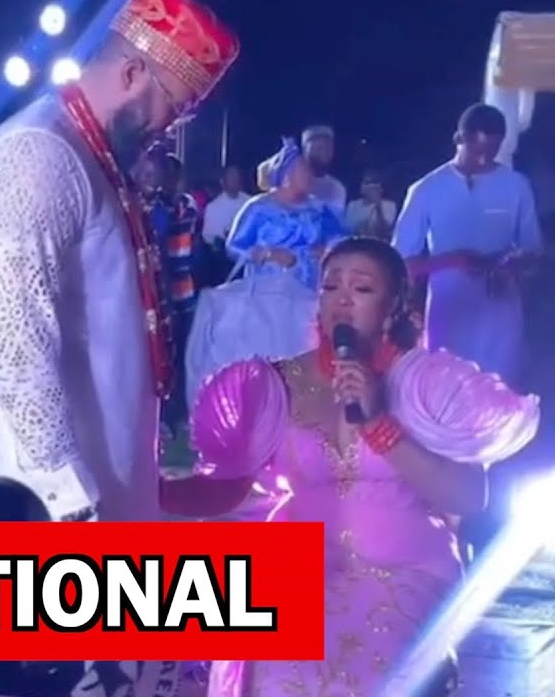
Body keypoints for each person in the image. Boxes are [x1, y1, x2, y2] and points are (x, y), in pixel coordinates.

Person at [162, 238, 539, 696]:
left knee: (355, 676)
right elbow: (229, 488)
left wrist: (379, 424)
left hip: (407, 570)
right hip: (296, 566)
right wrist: (153, 490)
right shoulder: (273, 383)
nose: (342, 299)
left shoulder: (429, 386)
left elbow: (467, 499)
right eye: (330, 286)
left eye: (361, 289)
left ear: (394, 305)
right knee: (269, 669)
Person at [0, 0, 238, 523]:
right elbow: (17, 345)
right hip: (58, 503)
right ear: (134, 73)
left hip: (109, 481)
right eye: (174, 108)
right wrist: (67, 498)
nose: (171, 128)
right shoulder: (38, 154)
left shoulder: (97, 154)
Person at [392, 103, 543, 389]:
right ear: (459, 140)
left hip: (501, 317)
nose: (485, 160)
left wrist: (514, 264)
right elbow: (401, 264)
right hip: (449, 316)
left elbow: (534, 253)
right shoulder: (427, 189)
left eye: (492, 151)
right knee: (447, 394)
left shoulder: (516, 185)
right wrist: (455, 260)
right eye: (478, 151)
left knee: (501, 399)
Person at [227, 138, 350, 290]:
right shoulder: (259, 208)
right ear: (286, 178)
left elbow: (342, 239)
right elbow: (234, 247)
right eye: (303, 171)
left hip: (310, 291)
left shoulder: (319, 209)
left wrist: (328, 250)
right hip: (266, 294)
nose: (309, 176)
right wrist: (267, 254)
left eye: (309, 171)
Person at [139, 150, 202, 438]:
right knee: (149, 359)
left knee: (177, 357)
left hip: (177, 293)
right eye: (146, 172)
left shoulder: (180, 208)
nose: (150, 178)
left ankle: (176, 414)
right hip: (145, 296)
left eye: (157, 173)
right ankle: (157, 418)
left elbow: (179, 251)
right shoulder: (134, 205)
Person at [303, 125, 346, 216]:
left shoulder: (337, 188)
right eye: (319, 147)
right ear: (305, 149)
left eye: (328, 147)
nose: (324, 152)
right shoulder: (288, 182)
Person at [201, 164, 250, 246]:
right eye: (231, 177)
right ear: (223, 181)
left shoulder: (249, 202)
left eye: (236, 176)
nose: (235, 179)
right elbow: (208, 238)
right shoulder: (213, 207)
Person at [344, 168, 398, 239]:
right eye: (367, 183)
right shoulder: (352, 205)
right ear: (361, 187)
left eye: (375, 182)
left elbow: (384, 232)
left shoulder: (390, 205)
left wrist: (378, 206)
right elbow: (348, 228)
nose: (372, 186)